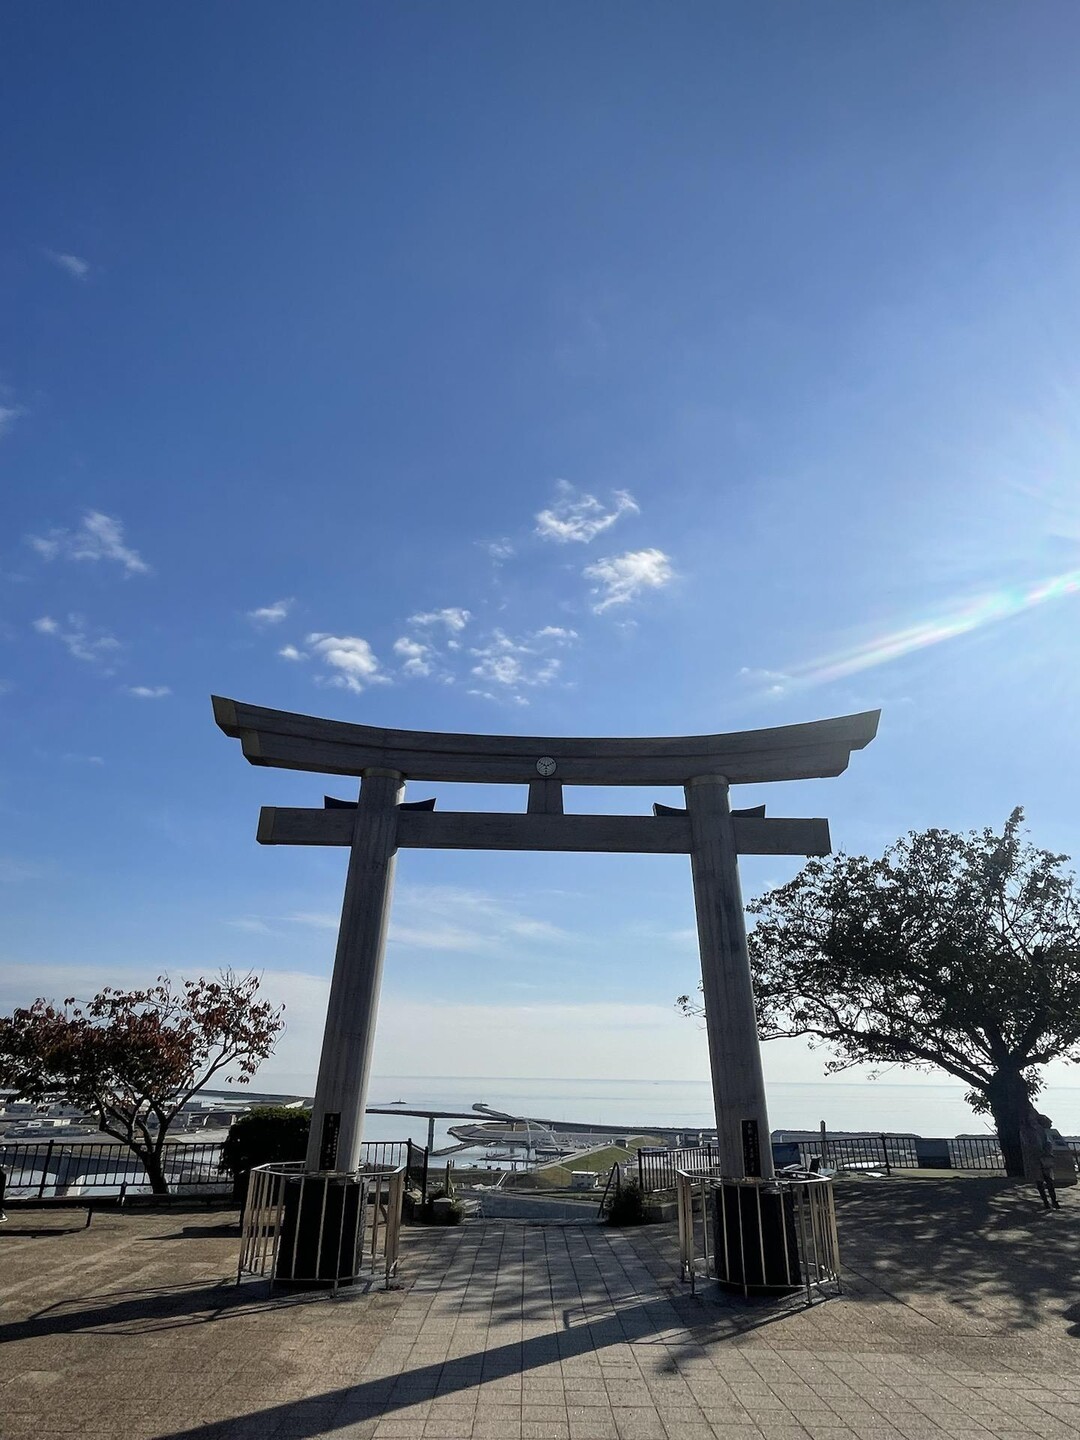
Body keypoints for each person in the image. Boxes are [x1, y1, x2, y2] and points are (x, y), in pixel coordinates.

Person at [1019, 1106, 1059, 1210]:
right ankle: (1046, 1202)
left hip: (1044, 1156)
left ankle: (1054, 1201)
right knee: (1039, 1181)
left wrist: (1047, 1149)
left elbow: (1047, 1140)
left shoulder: (1039, 1127)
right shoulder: (1025, 1130)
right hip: (1034, 1157)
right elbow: (1026, 1144)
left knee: (1049, 1179)